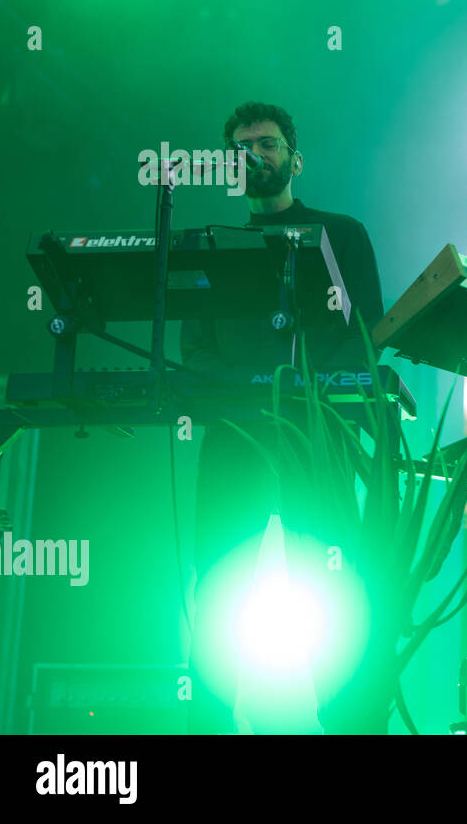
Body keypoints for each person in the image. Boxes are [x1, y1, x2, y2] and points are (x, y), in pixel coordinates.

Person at [181, 101, 385, 732]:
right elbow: (195, 349)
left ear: (295, 157)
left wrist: (317, 391)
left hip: (313, 435)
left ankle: (351, 723)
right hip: (234, 439)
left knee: (337, 591)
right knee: (217, 596)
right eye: (241, 146)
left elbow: (367, 334)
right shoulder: (212, 247)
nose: (254, 155)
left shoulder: (340, 233)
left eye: (266, 143)